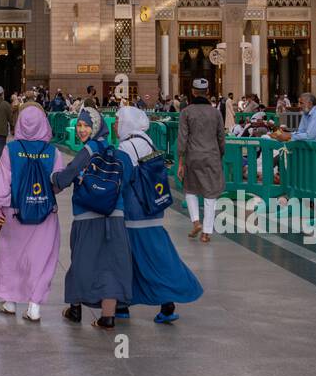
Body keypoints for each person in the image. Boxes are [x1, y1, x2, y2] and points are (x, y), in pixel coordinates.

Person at [115, 105, 203, 323]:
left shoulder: (126, 147)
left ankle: (134, 304)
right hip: (152, 208)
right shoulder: (147, 141)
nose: (115, 125)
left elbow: (122, 179)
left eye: (118, 120)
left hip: (134, 211)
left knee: (135, 258)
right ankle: (138, 304)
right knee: (152, 255)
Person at [55, 108, 132, 329]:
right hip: (115, 217)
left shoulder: (88, 150)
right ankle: (108, 316)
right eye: (79, 125)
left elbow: (66, 176)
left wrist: (53, 179)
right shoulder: (118, 153)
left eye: (86, 125)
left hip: (86, 216)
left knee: (82, 262)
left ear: (96, 127)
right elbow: (128, 181)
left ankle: (75, 308)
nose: (81, 130)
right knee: (111, 266)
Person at [0, 105, 63, 321]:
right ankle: (34, 305)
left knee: (11, 256)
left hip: (14, 211)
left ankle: (10, 301)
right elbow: (57, 185)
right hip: (45, 212)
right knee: (42, 258)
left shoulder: (10, 150)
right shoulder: (53, 152)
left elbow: (4, 184)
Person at [177, 77, 226, 243]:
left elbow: (182, 138)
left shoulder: (186, 112)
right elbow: (221, 137)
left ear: (192, 92)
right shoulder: (216, 113)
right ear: (207, 93)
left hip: (193, 156)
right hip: (211, 155)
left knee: (190, 189)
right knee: (210, 193)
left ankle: (196, 221)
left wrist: (181, 162)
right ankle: (206, 232)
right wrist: (220, 154)